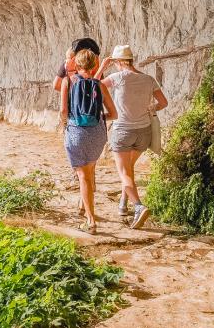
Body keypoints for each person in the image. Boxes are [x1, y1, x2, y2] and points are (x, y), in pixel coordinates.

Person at [103, 45, 168, 229]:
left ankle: (139, 206)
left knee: (124, 172)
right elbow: (163, 103)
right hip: (144, 133)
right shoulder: (149, 79)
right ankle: (123, 205)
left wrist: (102, 68)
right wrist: (150, 108)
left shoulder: (118, 77)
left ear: (118, 62)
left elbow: (93, 86)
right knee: (129, 168)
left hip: (123, 131)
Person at [57, 47, 116, 232]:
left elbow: (63, 111)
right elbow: (114, 114)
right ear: (94, 65)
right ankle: (84, 207)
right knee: (88, 174)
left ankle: (90, 221)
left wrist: (65, 124)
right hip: (97, 134)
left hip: (76, 132)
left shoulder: (68, 81)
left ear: (76, 65)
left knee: (83, 176)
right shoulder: (100, 85)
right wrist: (98, 117)